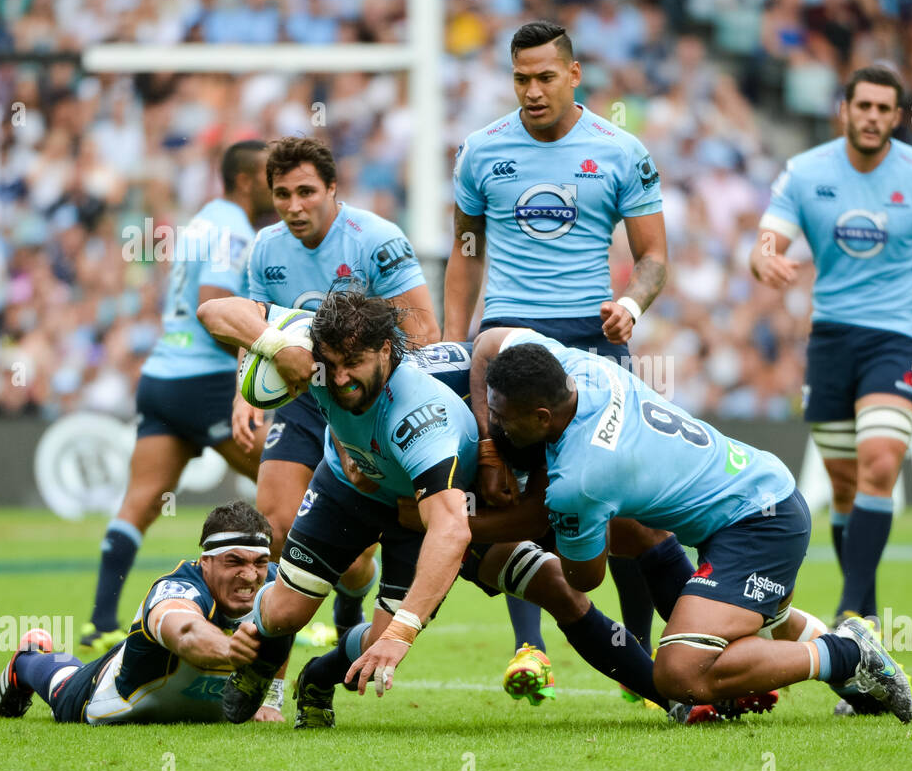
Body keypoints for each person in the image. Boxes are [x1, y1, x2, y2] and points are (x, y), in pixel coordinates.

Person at [198, 291, 668, 724]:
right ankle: (260, 656)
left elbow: (451, 528)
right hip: (349, 490)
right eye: (331, 365)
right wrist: (273, 344)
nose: (339, 379)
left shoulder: (425, 417)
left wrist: (403, 631)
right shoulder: (315, 343)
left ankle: (676, 695)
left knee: (550, 589)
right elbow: (214, 311)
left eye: (353, 365)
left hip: (428, 506)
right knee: (283, 614)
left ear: (386, 351)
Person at [467, 327, 912, 722]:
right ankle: (861, 690)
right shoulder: (577, 367)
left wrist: (469, 528)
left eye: (502, 417)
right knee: (757, 618)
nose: (496, 423)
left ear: (543, 417)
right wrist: (490, 445)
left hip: (759, 522)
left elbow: (583, 578)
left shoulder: (581, 480)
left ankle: (847, 653)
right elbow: (488, 343)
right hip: (755, 492)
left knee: (679, 672)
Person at [444, 20, 670, 705]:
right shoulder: (482, 150)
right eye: (520, 78)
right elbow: (464, 254)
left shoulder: (620, 150)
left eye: (545, 77)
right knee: (514, 491)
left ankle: (642, 646)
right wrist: (456, 347)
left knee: (618, 499)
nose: (532, 91)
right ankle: (531, 647)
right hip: (510, 337)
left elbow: (655, 257)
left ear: (574, 76)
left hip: (596, 338)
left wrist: (632, 302)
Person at [749, 65, 912, 641]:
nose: (873, 117)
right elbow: (764, 242)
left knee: (879, 465)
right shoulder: (806, 172)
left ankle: (849, 613)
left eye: (885, 108)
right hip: (829, 341)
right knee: (846, 486)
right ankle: (867, 628)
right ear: (845, 110)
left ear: (897, 117)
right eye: (864, 106)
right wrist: (767, 260)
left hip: (897, 340)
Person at [238, 136, 440, 643]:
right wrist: (243, 395)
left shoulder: (376, 239)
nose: (294, 205)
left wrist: (386, 418)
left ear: (332, 188)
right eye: (282, 194)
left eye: (306, 191)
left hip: (366, 404)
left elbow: (423, 333)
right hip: (304, 399)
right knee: (275, 528)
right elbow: (251, 329)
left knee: (350, 562)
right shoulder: (265, 248)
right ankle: (272, 685)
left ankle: (353, 595)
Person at [79, 141, 273, 653]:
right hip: (203, 381)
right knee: (285, 489)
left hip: (161, 376)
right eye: (270, 179)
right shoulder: (233, 230)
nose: (279, 191)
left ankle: (100, 623)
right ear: (248, 180)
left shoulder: (202, 221)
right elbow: (214, 307)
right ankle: (308, 615)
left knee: (138, 505)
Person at [0, 501, 284, 724]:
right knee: (63, 680)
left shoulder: (272, 581)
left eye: (259, 562)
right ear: (205, 561)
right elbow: (186, 633)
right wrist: (230, 649)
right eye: (234, 561)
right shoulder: (177, 589)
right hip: (111, 700)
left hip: (197, 703)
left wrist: (271, 698)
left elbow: (290, 617)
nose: (249, 576)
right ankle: (27, 658)